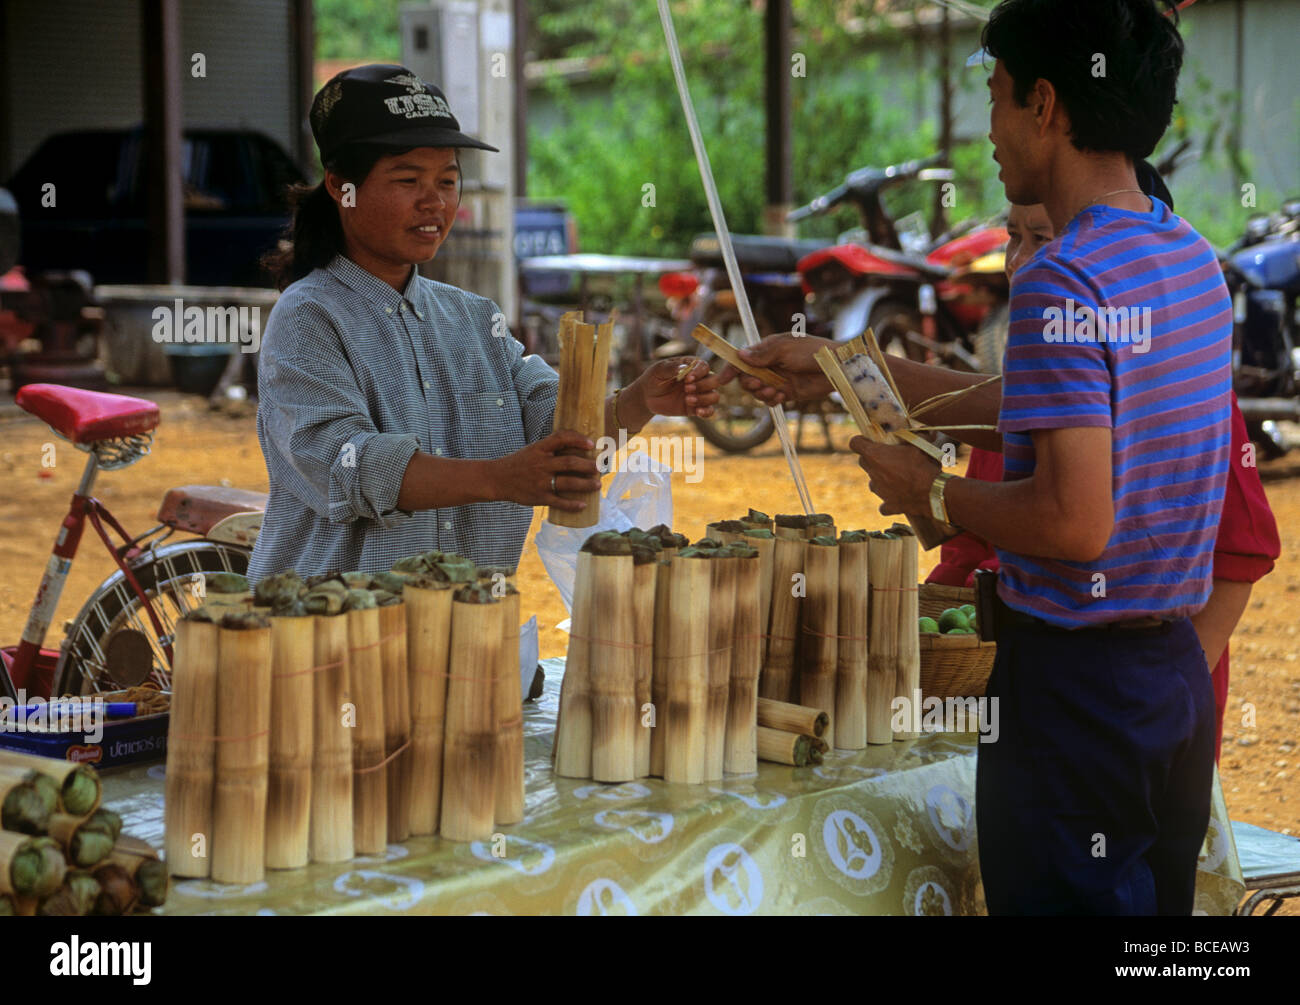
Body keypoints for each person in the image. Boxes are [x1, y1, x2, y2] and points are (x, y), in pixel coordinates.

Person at [725, 0, 1227, 915]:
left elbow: (1076, 523)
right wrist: (849, 371)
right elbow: (1048, 414)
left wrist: (937, 494)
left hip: (1073, 695)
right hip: (1171, 683)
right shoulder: (1186, 255)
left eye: (996, 97)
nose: (991, 131)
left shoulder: (1061, 278)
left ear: (1045, 104)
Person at [249, 65, 721, 580]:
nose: (435, 201)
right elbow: (347, 466)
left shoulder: (476, 319)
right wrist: (500, 479)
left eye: (448, 181)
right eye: (408, 180)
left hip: (471, 630)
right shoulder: (308, 316)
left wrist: (639, 401)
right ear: (343, 189)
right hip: (335, 633)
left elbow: (562, 431)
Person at [930, 196, 1280, 765]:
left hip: (1136, 713)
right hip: (1024, 699)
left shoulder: (1188, 390)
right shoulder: (1031, 383)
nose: (1021, 264)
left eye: (1042, 241)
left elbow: (1241, 555)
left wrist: (1171, 698)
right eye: (1011, 239)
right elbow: (971, 546)